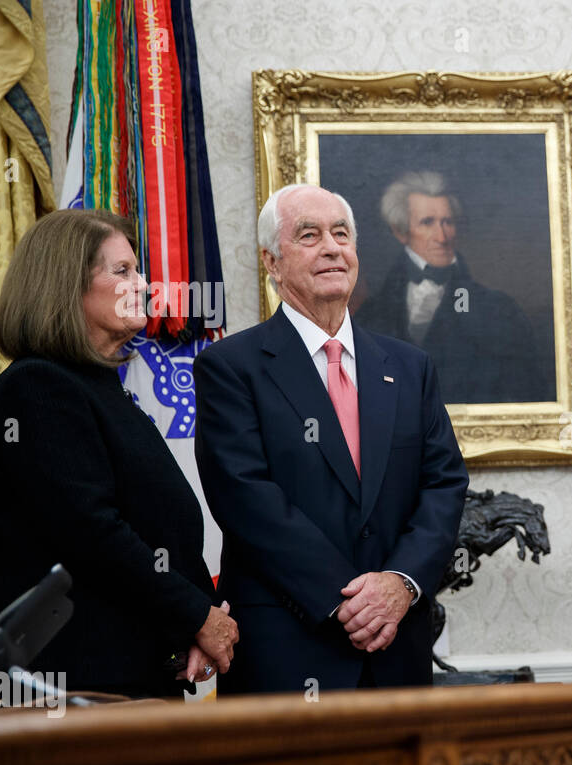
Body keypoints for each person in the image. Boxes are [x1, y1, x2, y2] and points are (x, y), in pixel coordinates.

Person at [193, 184, 468, 693]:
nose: (332, 247)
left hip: (397, 650)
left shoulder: (409, 368)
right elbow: (245, 498)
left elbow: (444, 485)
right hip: (288, 651)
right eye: (309, 235)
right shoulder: (230, 368)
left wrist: (400, 584)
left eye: (342, 234)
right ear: (271, 262)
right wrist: (345, 601)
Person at [0, 209, 238, 698]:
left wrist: (193, 626)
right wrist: (196, 615)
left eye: (138, 270)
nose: (143, 284)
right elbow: (92, 534)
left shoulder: (103, 391)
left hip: (134, 675)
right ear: (65, 283)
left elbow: (162, 529)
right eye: (122, 271)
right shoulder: (37, 388)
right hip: (72, 685)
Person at [352, 170, 550, 404]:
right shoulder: (370, 315)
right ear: (400, 232)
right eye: (427, 223)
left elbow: (523, 392)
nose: (442, 236)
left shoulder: (500, 311)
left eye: (448, 222)